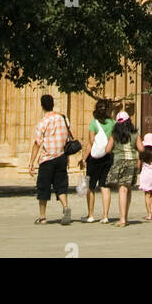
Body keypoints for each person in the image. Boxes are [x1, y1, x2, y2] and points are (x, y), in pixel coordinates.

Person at [28, 93, 74, 226]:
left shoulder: (43, 122)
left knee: (43, 187)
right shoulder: (63, 119)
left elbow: (37, 143)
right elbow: (70, 135)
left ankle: (42, 217)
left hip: (47, 159)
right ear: (53, 104)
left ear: (42, 106)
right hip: (61, 157)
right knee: (61, 185)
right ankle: (65, 207)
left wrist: (31, 162)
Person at [105, 111, 144, 227]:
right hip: (132, 162)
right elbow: (141, 149)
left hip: (119, 162)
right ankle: (125, 217)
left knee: (122, 190)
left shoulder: (114, 135)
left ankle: (122, 219)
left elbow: (107, 149)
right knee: (128, 189)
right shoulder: (135, 134)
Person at [82, 98, 115, 223]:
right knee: (104, 186)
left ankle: (90, 215)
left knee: (90, 186)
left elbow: (91, 143)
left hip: (94, 157)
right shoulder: (113, 123)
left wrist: (84, 158)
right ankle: (105, 216)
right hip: (108, 156)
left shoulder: (93, 123)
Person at [138, 133, 152, 220]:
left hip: (145, 174)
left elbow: (138, 165)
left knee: (147, 194)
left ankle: (149, 214)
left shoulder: (142, 154)